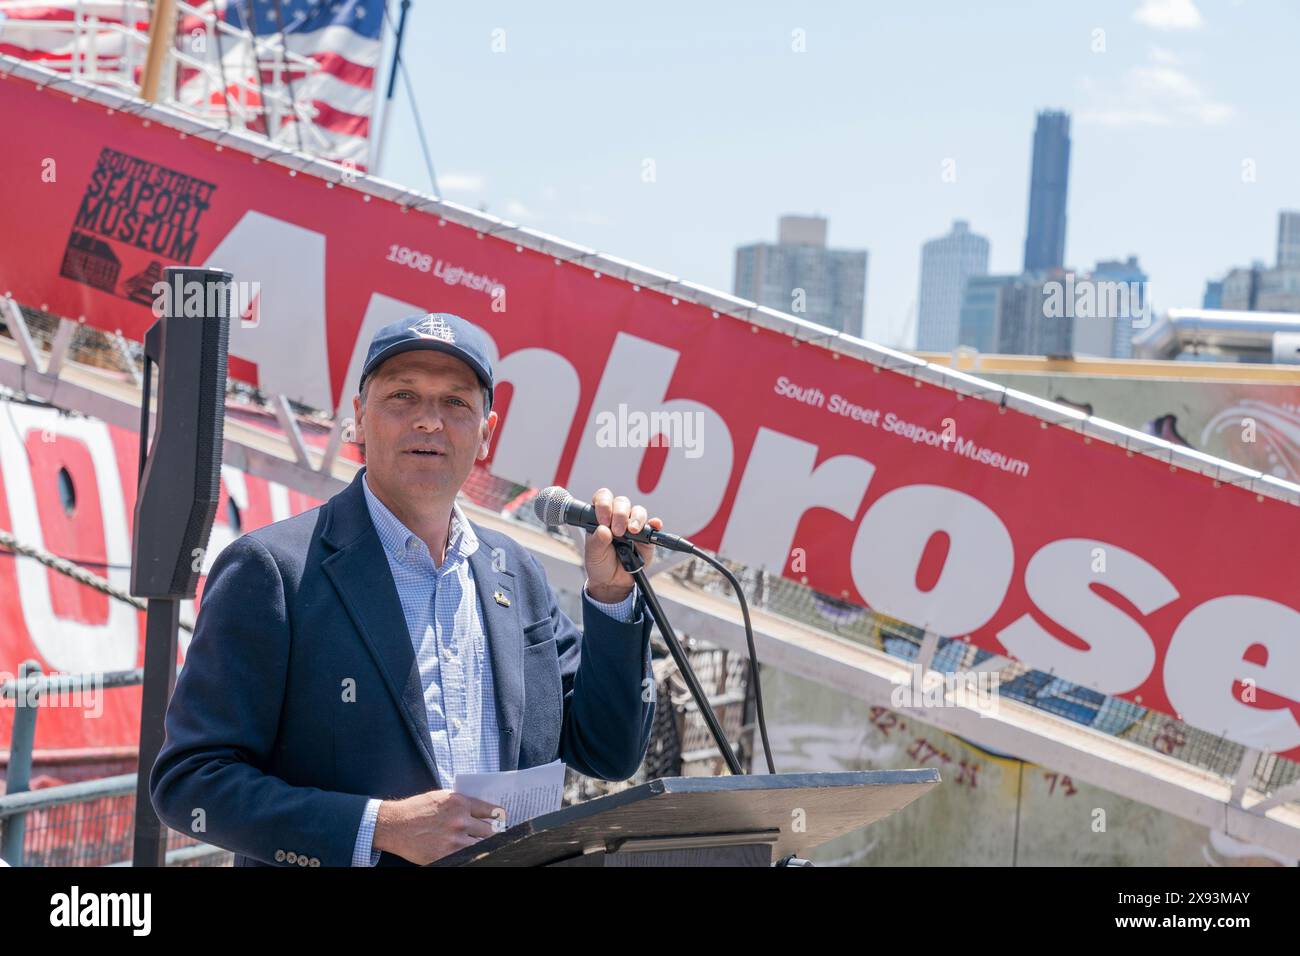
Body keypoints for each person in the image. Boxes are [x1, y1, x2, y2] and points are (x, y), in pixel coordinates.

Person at [150, 312, 660, 866]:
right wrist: (381, 827)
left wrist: (612, 598)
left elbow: (609, 752)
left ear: (486, 433)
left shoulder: (516, 572)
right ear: (359, 419)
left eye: (455, 403)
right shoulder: (271, 570)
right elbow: (190, 783)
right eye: (402, 396)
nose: (429, 422)